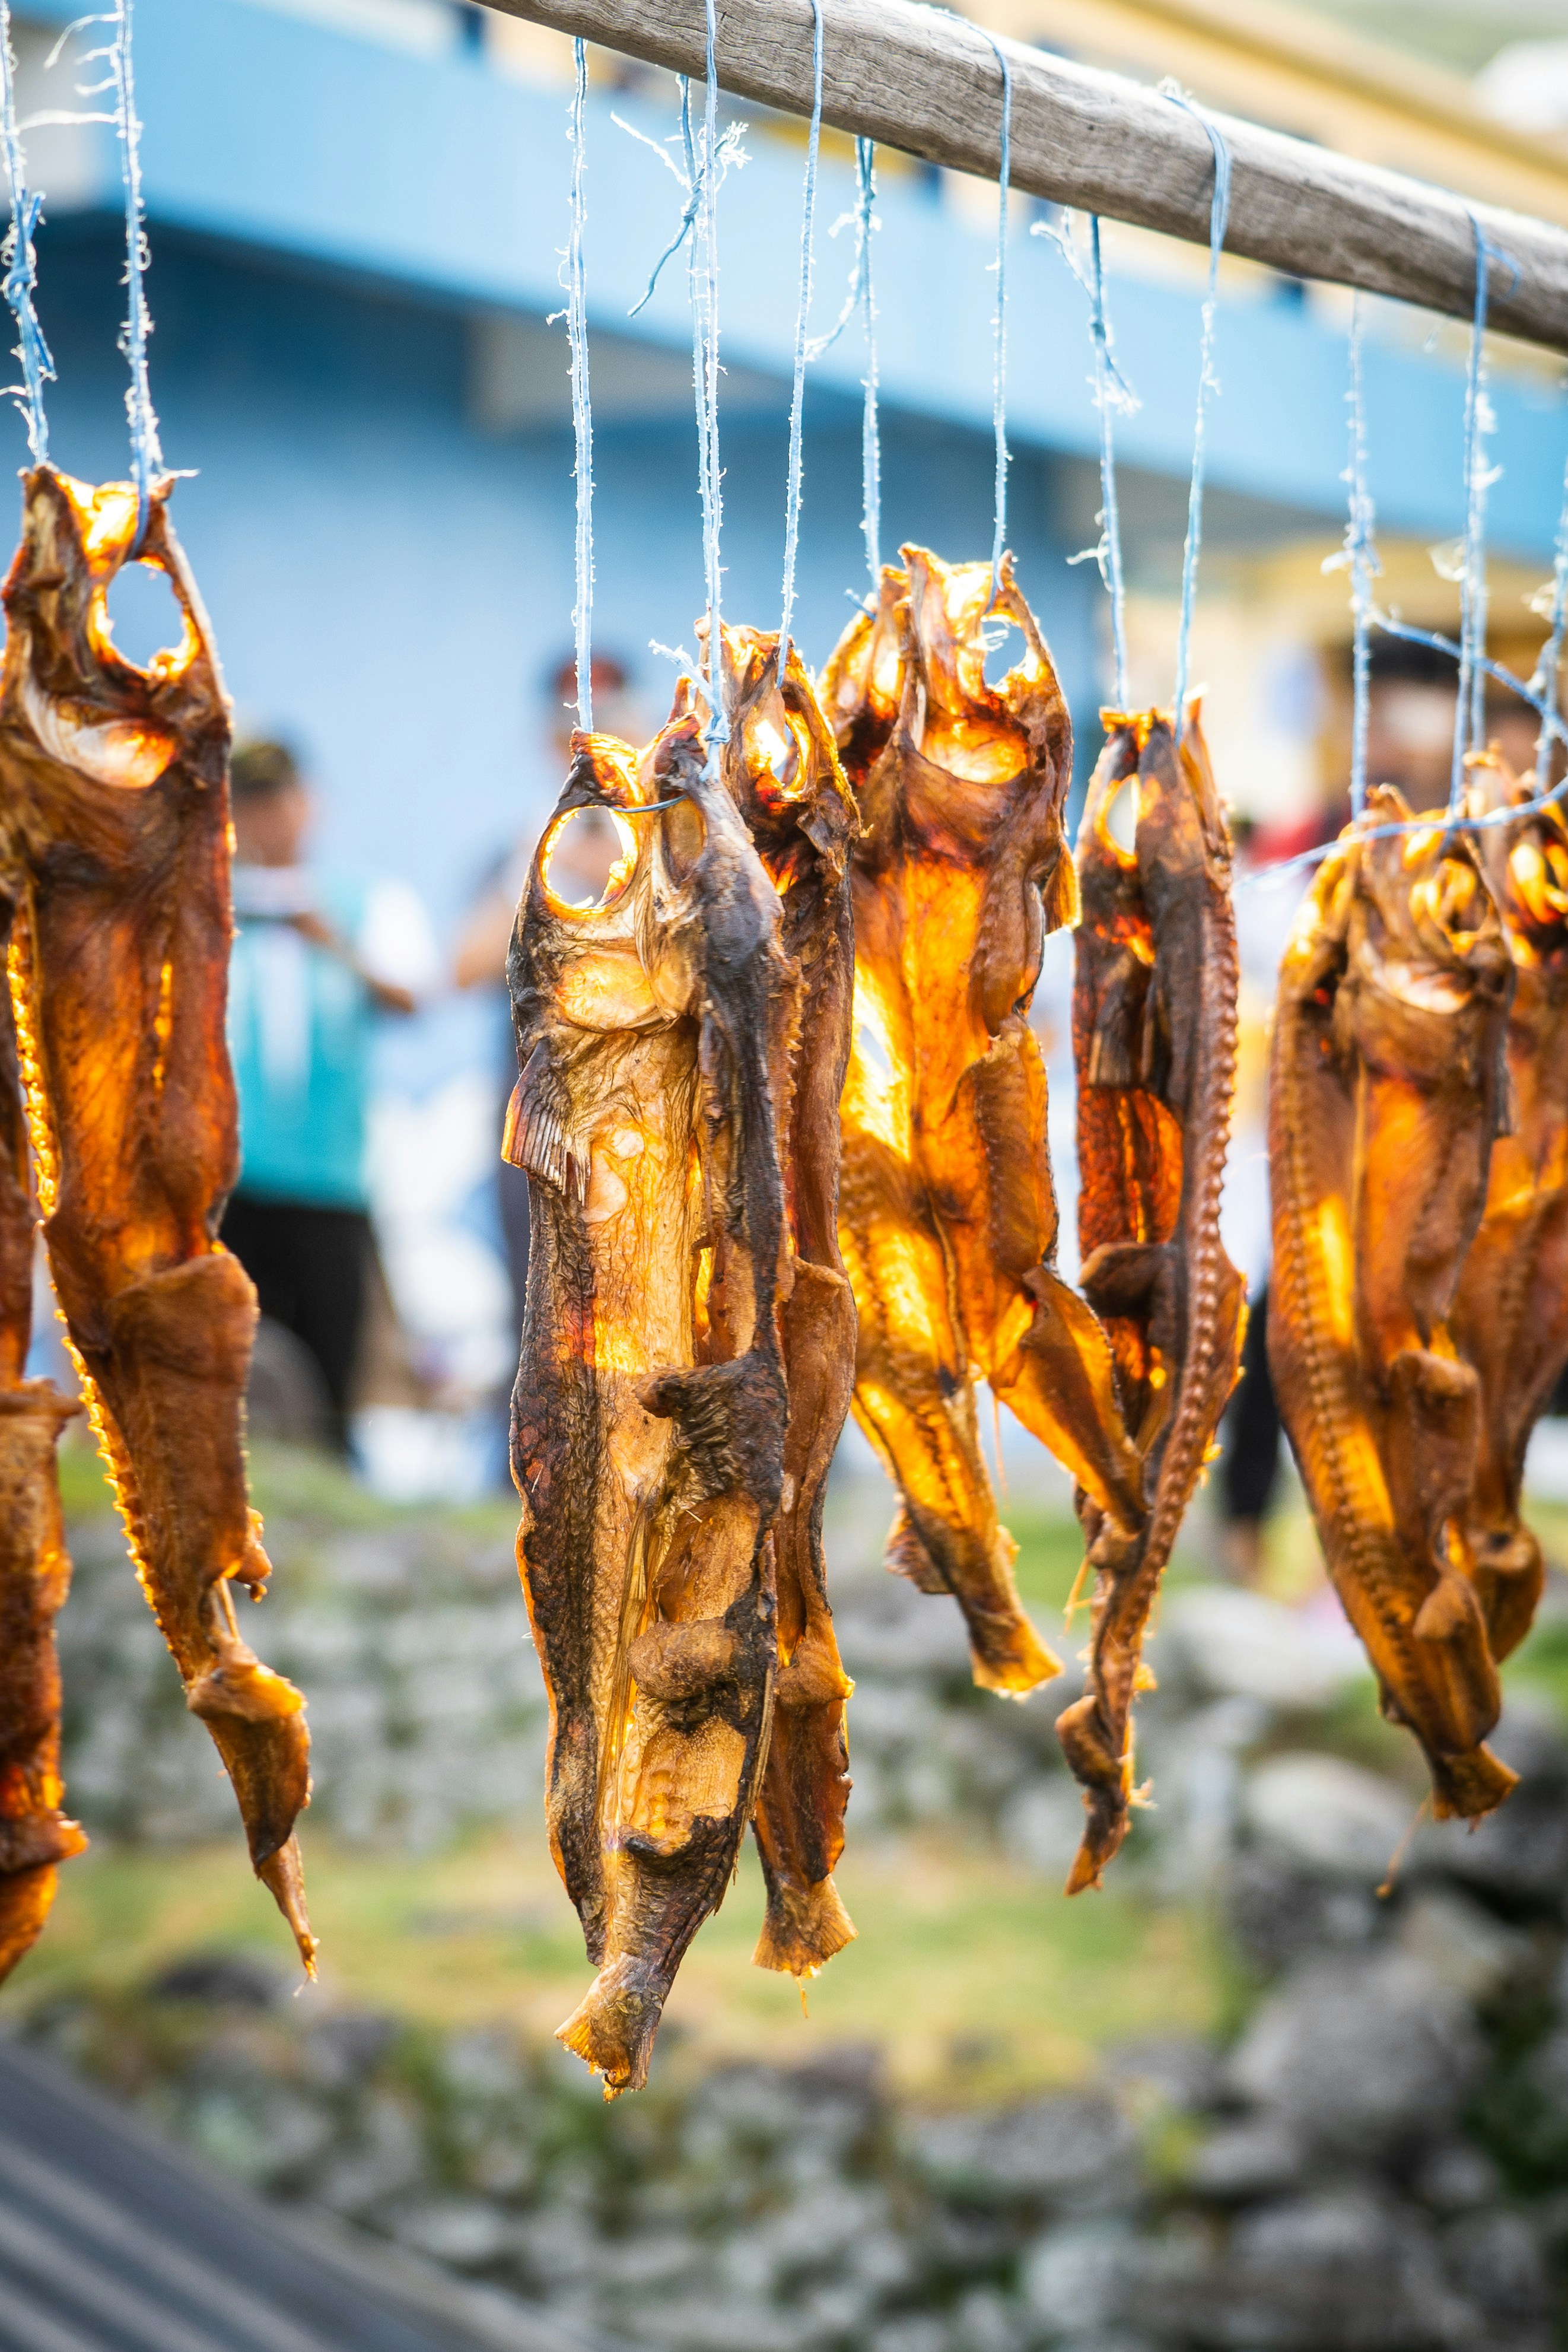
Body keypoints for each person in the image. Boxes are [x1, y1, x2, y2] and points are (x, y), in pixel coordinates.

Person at [222, 739, 440, 1453]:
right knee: (226, 1360)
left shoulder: (362, 899)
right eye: (250, 805)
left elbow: (415, 994)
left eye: (278, 802)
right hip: (231, 1178)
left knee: (329, 1363)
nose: (267, 820)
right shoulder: (211, 900)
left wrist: (329, 938)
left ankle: (326, 1495)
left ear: (307, 803)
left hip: (330, 1178)